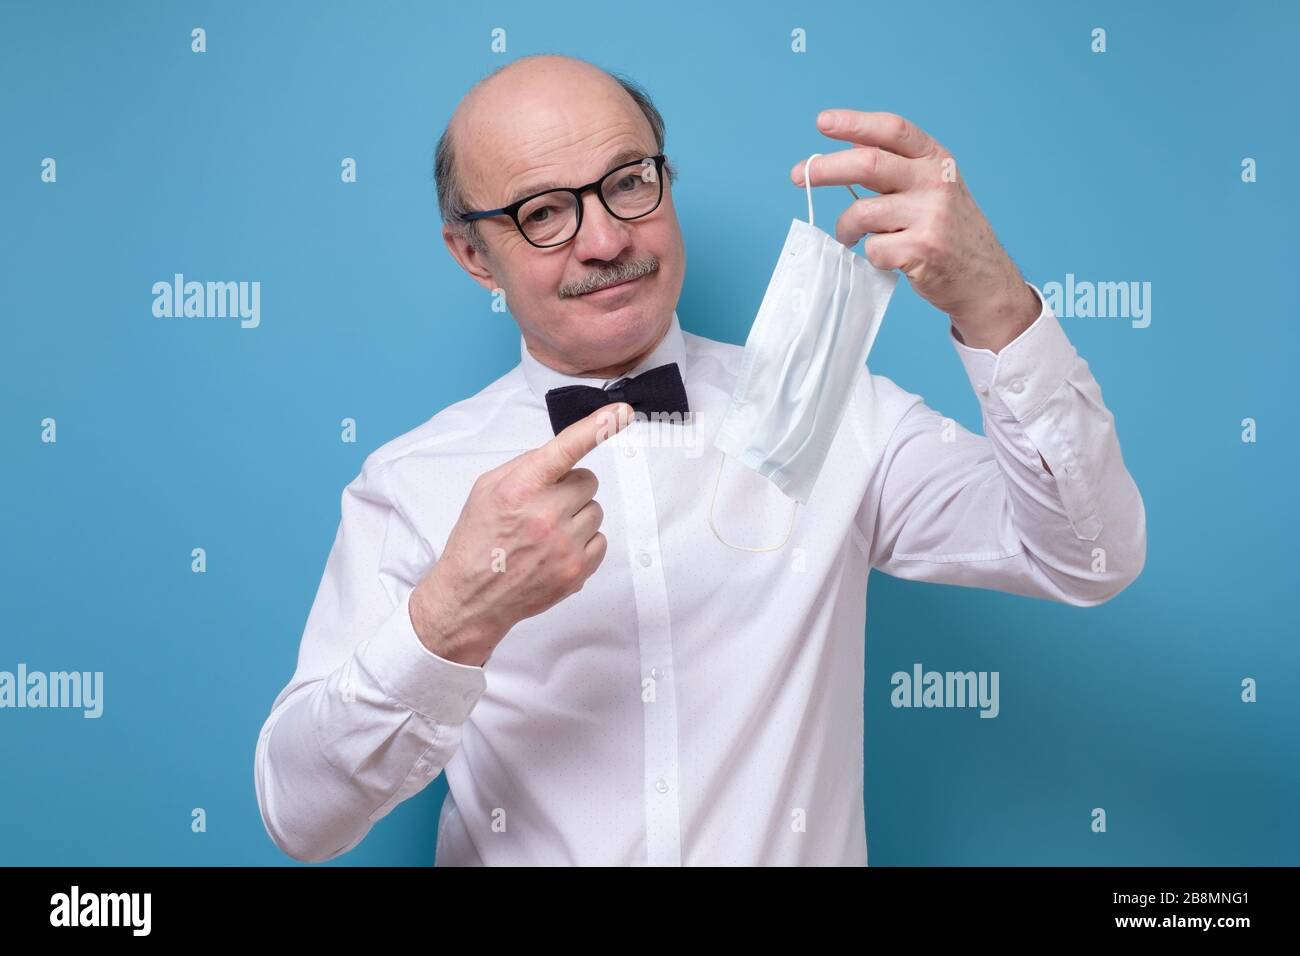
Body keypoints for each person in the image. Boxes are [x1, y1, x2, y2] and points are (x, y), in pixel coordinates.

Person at [253, 54, 1146, 866]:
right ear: (472, 254)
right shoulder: (411, 483)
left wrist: (995, 303)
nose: (605, 241)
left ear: (666, 181)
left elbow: (1087, 557)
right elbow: (302, 815)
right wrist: (451, 619)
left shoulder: (835, 410)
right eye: (543, 213)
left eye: (627, 183)